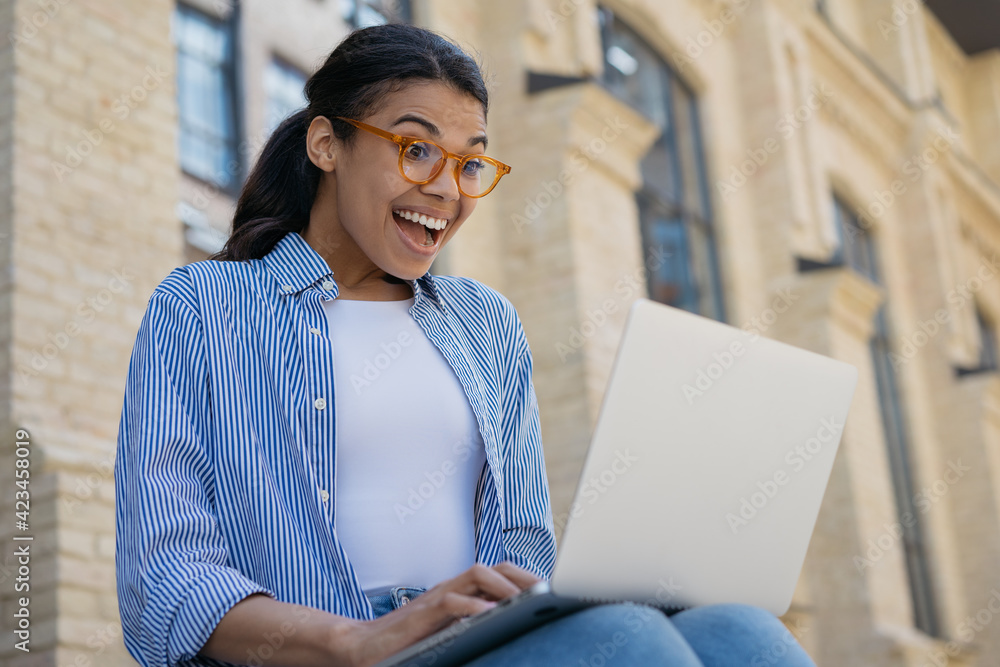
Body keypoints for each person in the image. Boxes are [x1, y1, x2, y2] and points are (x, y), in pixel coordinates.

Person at [114, 22, 817, 667]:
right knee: (630, 642)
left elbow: (520, 542)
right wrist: (357, 639)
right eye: (417, 150)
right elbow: (163, 577)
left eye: (470, 163)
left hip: (476, 645)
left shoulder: (487, 323)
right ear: (327, 144)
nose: (447, 189)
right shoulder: (204, 307)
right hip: (328, 651)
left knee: (742, 630)